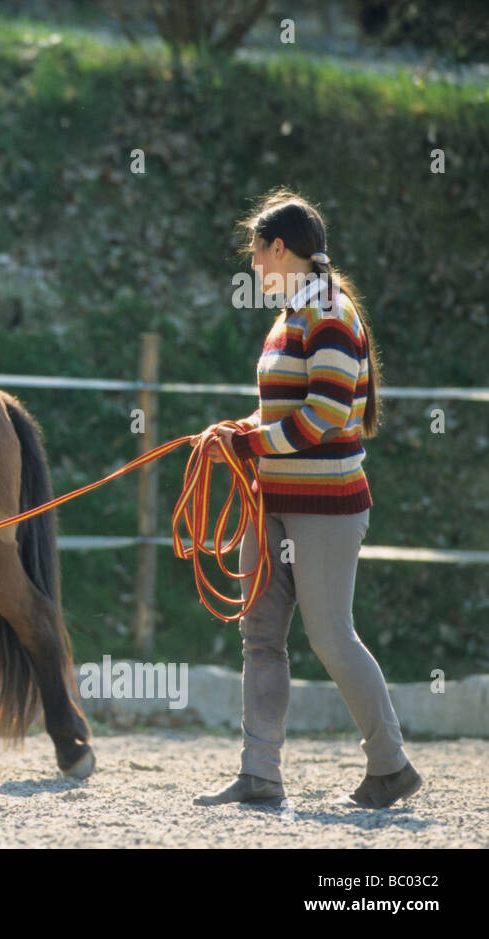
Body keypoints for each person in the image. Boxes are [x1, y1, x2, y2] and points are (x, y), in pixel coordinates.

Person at [192, 189, 422, 810]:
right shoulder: (290, 317)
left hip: (325, 507)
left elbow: (320, 417)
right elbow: (282, 411)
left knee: (331, 636)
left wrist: (247, 446)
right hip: (272, 501)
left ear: (279, 248)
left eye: (257, 254)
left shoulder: (329, 315)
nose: (253, 267)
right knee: (260, 635)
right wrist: (235, 434)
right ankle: (260, 773)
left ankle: (390, 762)